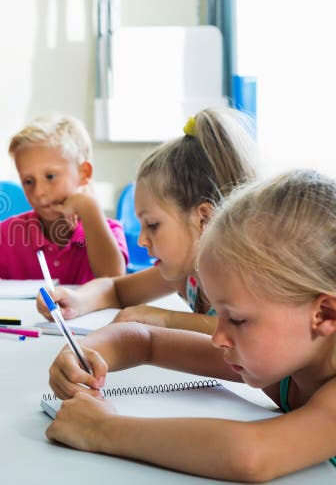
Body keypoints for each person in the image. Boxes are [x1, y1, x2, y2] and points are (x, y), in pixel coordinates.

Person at [45, 170, 336, 481]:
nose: (218, 336)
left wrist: (102, 429)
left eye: (237, 320)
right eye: (218, 314)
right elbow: (145, 341)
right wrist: (81, 354)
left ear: (324, 315)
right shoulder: (287, 365)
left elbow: (252, 454)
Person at [36, 108, 256, 334]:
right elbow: (116, 289)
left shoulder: (243, 279)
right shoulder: (187, 271)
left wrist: (167, 319)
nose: (142, 240)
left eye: (152, 225)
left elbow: (241, 330)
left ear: (204, 219)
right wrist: (77, 300)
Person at [0, 114, 127, 291]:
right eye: (28, 181)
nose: (39, 192)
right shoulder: (11, 233)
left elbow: (113, 279)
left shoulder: (108, 231)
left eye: (50, 176)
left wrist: (89, 207)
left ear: (83, 174)